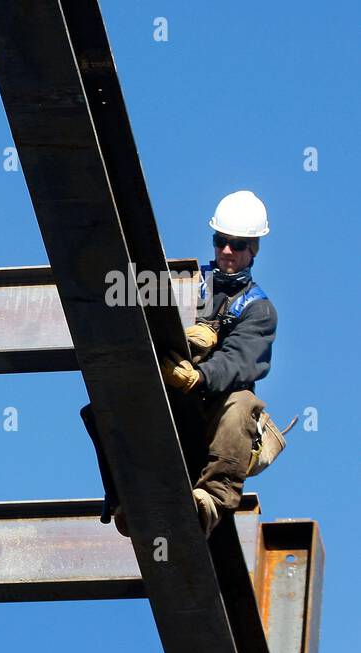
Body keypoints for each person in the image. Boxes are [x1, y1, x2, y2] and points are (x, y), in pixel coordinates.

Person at [87, 190, 278, 538]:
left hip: (210, 424)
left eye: (236, 244)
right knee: (106, 404)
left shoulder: (257, 309)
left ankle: (209, 503)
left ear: (253, 248)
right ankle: (127, 497)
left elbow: (241, 362)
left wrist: (198, 375)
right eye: (221, 241)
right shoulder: (188, 284)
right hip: (170, 408)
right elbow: (129, 303)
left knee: (243, 403)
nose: (226, 251)